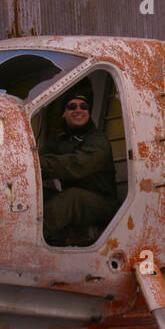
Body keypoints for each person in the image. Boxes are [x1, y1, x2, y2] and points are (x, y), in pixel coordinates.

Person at [40, 89, 118, 245]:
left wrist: (38, 164)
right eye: (72, 107)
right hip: (71, 195)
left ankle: (28, 238)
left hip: (102, 203)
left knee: (71, 198)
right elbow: (38, 159)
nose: (78, 110)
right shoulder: (58, 140)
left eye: (84, 106)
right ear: (63, 113)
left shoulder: (98, 140)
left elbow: (78, 165)